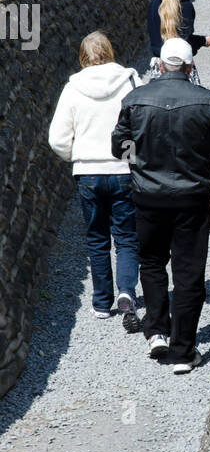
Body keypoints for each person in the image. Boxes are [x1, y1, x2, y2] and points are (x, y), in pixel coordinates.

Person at [111, 37, 210, 372]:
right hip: (191, 198)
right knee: (189, 272)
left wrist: (144, 162)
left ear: (160, 65)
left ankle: (157, 332)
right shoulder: (207, 101)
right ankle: (183, 350)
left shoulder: (136, 99)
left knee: (151, 264)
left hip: (147, 197)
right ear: (190, 66)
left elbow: (120, 150)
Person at [48, 32, 142, 325]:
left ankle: (102, 302)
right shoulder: (129, 81)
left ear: (82, 55)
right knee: (126, 237)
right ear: (110, 51)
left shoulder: (73, 88)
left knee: (97, 238)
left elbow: (57, 139)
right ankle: (126, 292)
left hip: (87, 172)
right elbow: (143, 123)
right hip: (123, 169)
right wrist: (133, 156)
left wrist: (77, 157)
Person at [145, 0, 210, 83]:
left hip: (159, 66)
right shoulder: (185, 6)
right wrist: (203, 41)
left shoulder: (155, 3)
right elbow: (184, 41)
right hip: (181, 68)